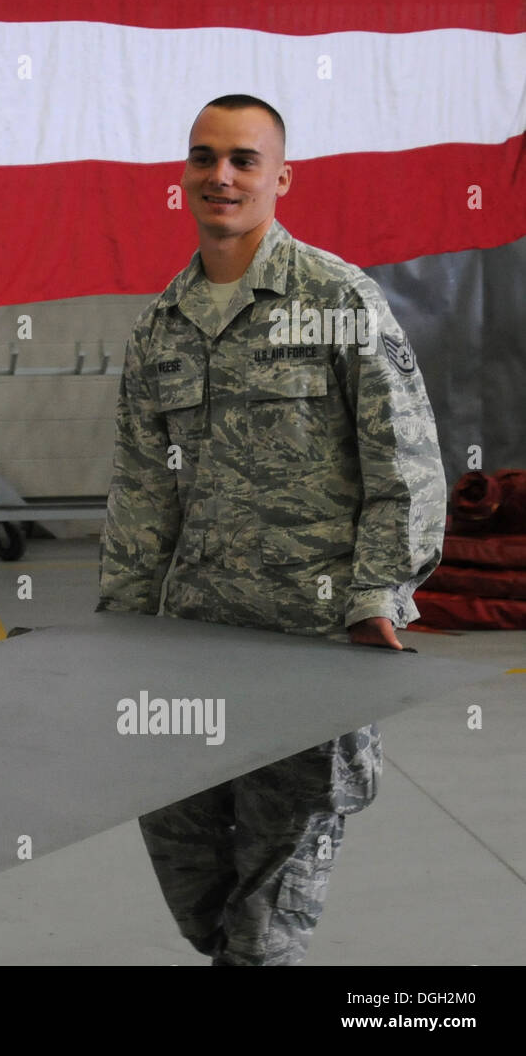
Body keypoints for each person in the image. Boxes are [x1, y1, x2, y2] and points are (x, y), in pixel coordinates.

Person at [96, 94, 445, 965]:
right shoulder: (161, 327)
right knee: (191, 877)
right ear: (183, 175)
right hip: (185, 651)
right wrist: (119, 625)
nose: (221, 175)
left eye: (244, 159)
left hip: (309, 653)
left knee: (265, 923)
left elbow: (406, 462)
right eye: (204, 156)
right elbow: (142, 490)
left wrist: (375, 599)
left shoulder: (335, 299)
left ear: (280, 177)